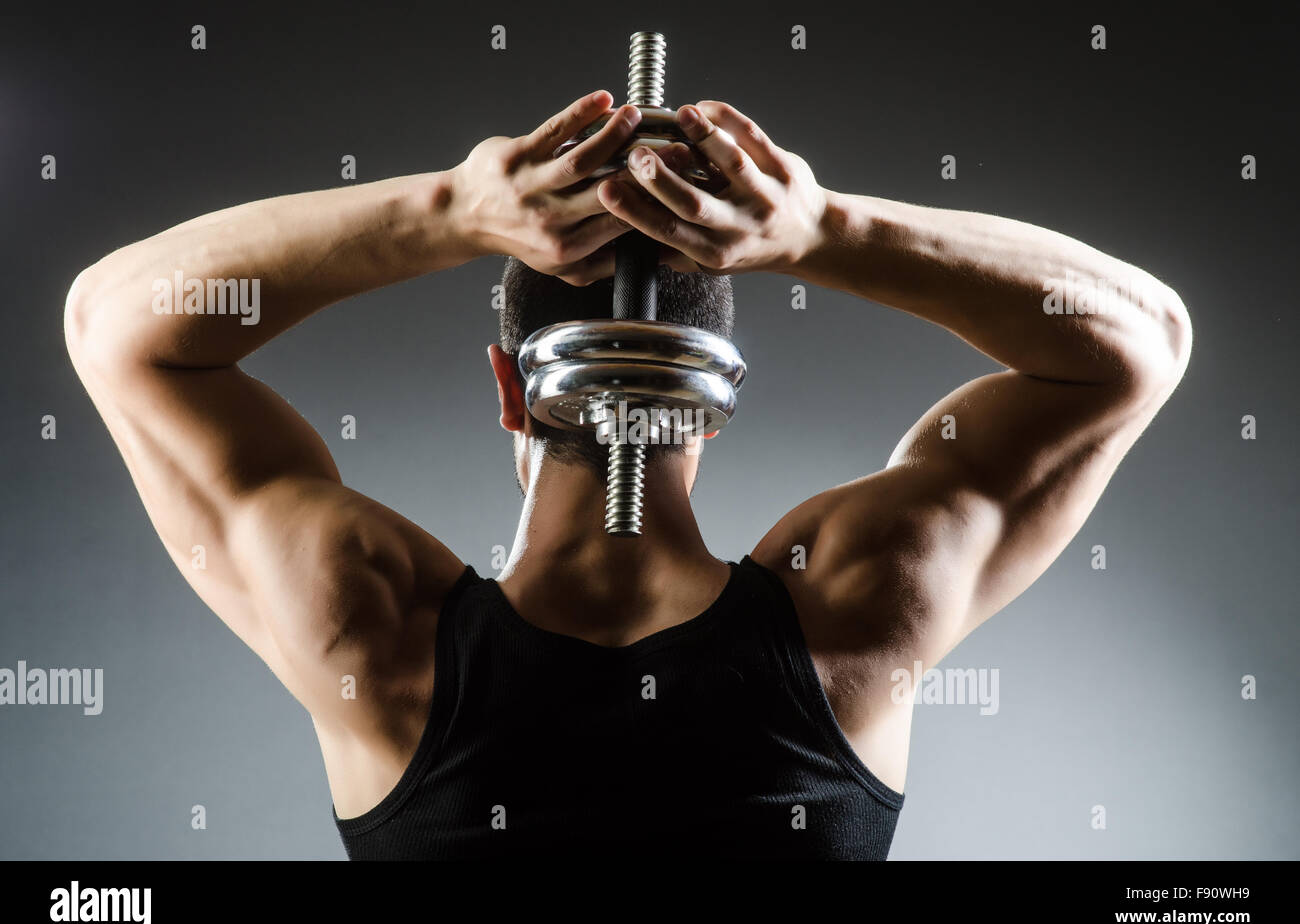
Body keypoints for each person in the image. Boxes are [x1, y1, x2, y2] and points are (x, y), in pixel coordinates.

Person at [64, 89, 1191, 859]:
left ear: (508, 388)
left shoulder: (371, 628)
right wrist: (822, 227)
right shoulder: (862, 604)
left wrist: (449, 211)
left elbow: (115, 325)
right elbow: (1140, 343)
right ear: (721, 392)